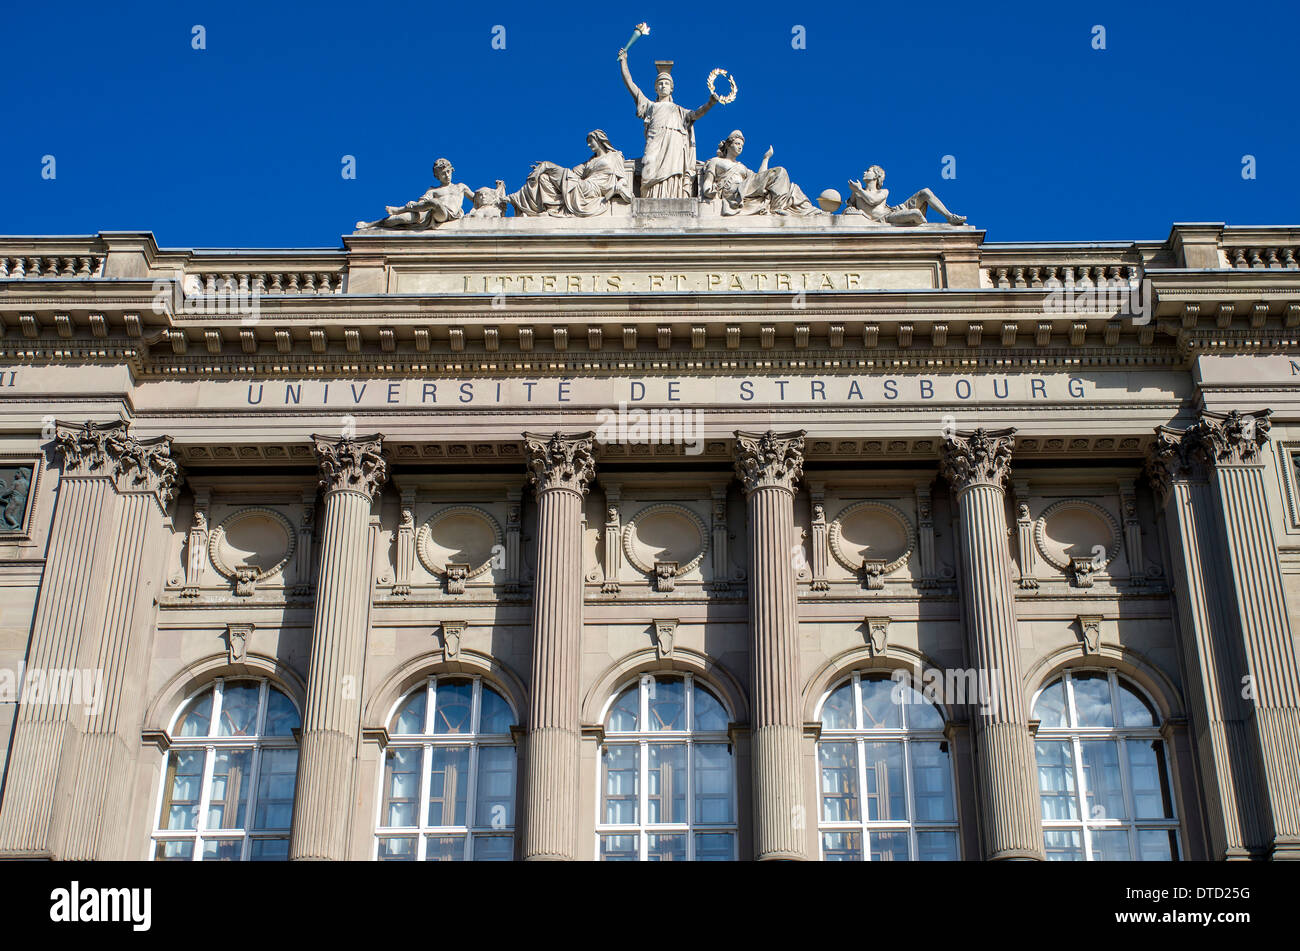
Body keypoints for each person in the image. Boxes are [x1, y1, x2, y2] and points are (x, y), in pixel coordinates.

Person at [618, 51, 717, 198]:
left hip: (675, 142)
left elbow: (696, 114)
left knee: (673, 171)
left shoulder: (679, 111)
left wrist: (710, 103)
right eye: (660, 84)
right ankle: (650, 199)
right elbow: (631, 85)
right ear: (655, 88)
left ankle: (674, 198)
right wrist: (623, 62)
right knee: (649, 167)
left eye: (666, 84)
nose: (663, 86)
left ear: (672, 88)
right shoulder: (650, 106)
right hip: (655, 142)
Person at [507, 130, 632, 217]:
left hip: (593, 190)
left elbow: (622, 179)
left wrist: (618, 188)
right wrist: (552, 172)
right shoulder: (589, 162)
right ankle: (550, 208)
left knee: (550, 168)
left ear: (599, 140)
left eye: (591, 141)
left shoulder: (615, 156)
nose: (589, 145)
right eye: (588, 142)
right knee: (545, 177)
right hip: (583, 186)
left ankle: (545, 165)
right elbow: (571, 174)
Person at [699, 130, 817, 216]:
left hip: (745, 188)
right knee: (780, 174)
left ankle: (777, 207)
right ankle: (776, 208)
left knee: (781, 174)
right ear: (729, 145)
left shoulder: (742, 167)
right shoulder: (716, 161)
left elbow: (760, 178)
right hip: (732, 192)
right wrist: (708, 191)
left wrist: (766, 158)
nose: (740, 147)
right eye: (737, 144)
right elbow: (709, 180)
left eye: (742, 145)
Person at [356, 158, 477, 230]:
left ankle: (399, 209)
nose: (447, 175)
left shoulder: (461, 187)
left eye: (448, 172)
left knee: (435, 203)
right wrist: (416, 205)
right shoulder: (433, 190)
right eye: (443, 173)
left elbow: (476, 200)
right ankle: (370, 224)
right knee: (400, 218)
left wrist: (496, 193)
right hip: (429, 214)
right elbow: (422, 204)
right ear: (437, 176)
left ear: (452, 170)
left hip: (447, 214)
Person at [845, 165, 966, 225]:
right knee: (916, 213)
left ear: (876, 176)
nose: (864, 172)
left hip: (892, 212)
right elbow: (847, 211)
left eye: (868, 171)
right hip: (886, 219)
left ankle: (949, 216)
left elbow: (873, 201)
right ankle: (920, 227)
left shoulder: (883, 191)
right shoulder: (856, 193)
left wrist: (859, 190)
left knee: (925, 192)